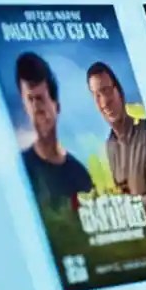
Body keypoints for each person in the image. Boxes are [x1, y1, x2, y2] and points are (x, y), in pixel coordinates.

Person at [87, 62, 146, 219]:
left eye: (106, 91)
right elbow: (125, 194)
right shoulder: (110, 146)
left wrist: (124, 210)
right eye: (97, 96)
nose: (104, 102)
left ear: (119, 92)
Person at [16, 52, 93, 209]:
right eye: (30, 100)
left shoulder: (79, 175)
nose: (37, 109)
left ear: (56, 106)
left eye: (41, 99)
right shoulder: (19, 170)